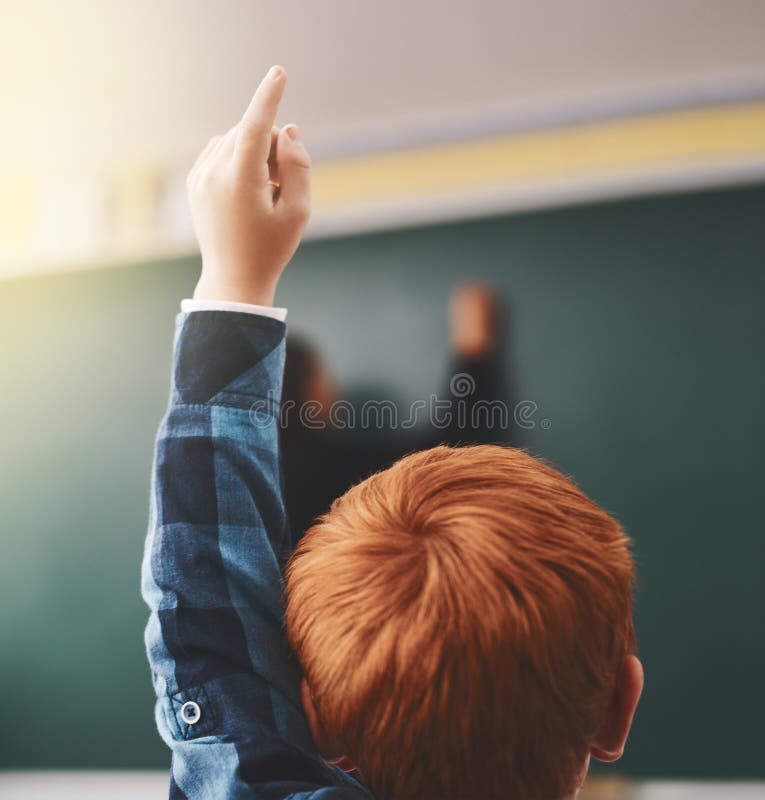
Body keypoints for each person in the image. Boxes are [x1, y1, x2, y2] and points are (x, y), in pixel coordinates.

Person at [142, 66, 643, 800]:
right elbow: (467, 432)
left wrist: (233, 280)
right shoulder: (340, 454)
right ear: (617, 705)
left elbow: (208, 615)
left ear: (313, 715)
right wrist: (475, 350)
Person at [280, 280, 508, 540]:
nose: (333, 389)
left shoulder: (256, 468)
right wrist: (473, 351)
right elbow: (451, 448)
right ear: (298, 389)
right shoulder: (324, 467)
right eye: (320, 377)